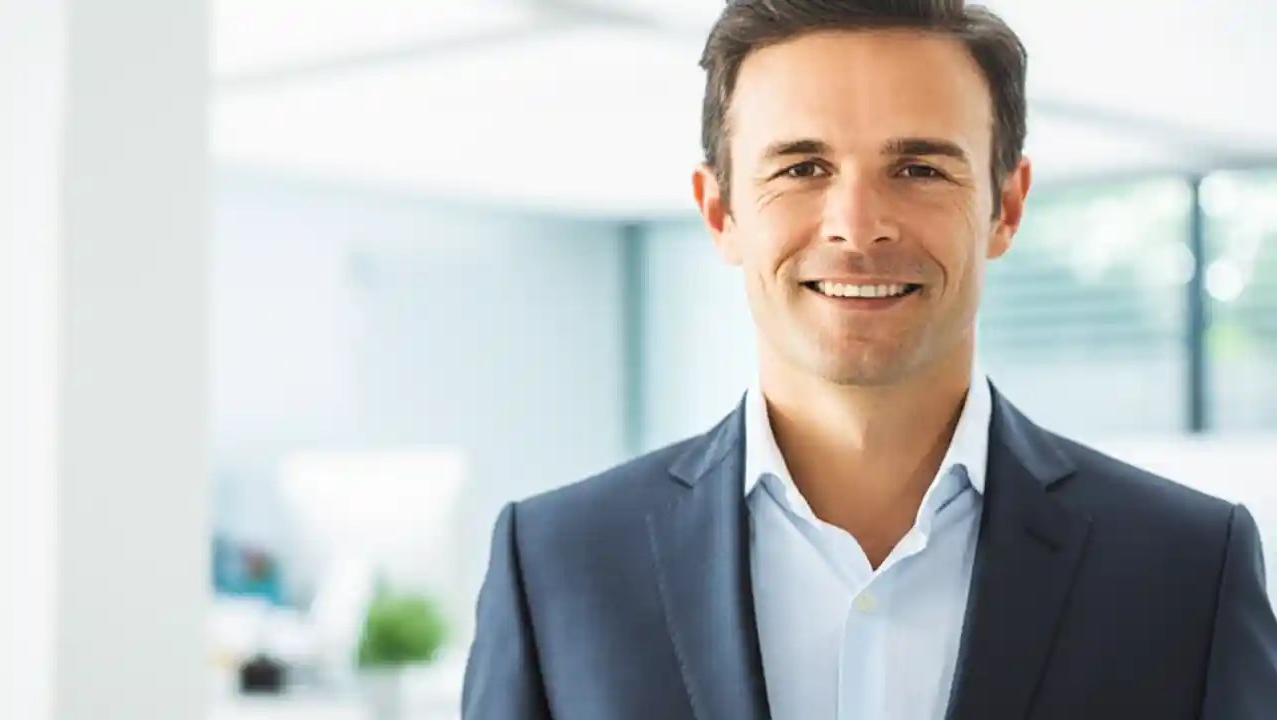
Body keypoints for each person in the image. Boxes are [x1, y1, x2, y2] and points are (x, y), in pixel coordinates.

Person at [461, 1, 1277, 718]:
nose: (858, 225)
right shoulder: (558, 564)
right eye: (802, 168)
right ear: (720, 212)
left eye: (918, 168)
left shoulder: (1187, 571)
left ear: (1007, 206)